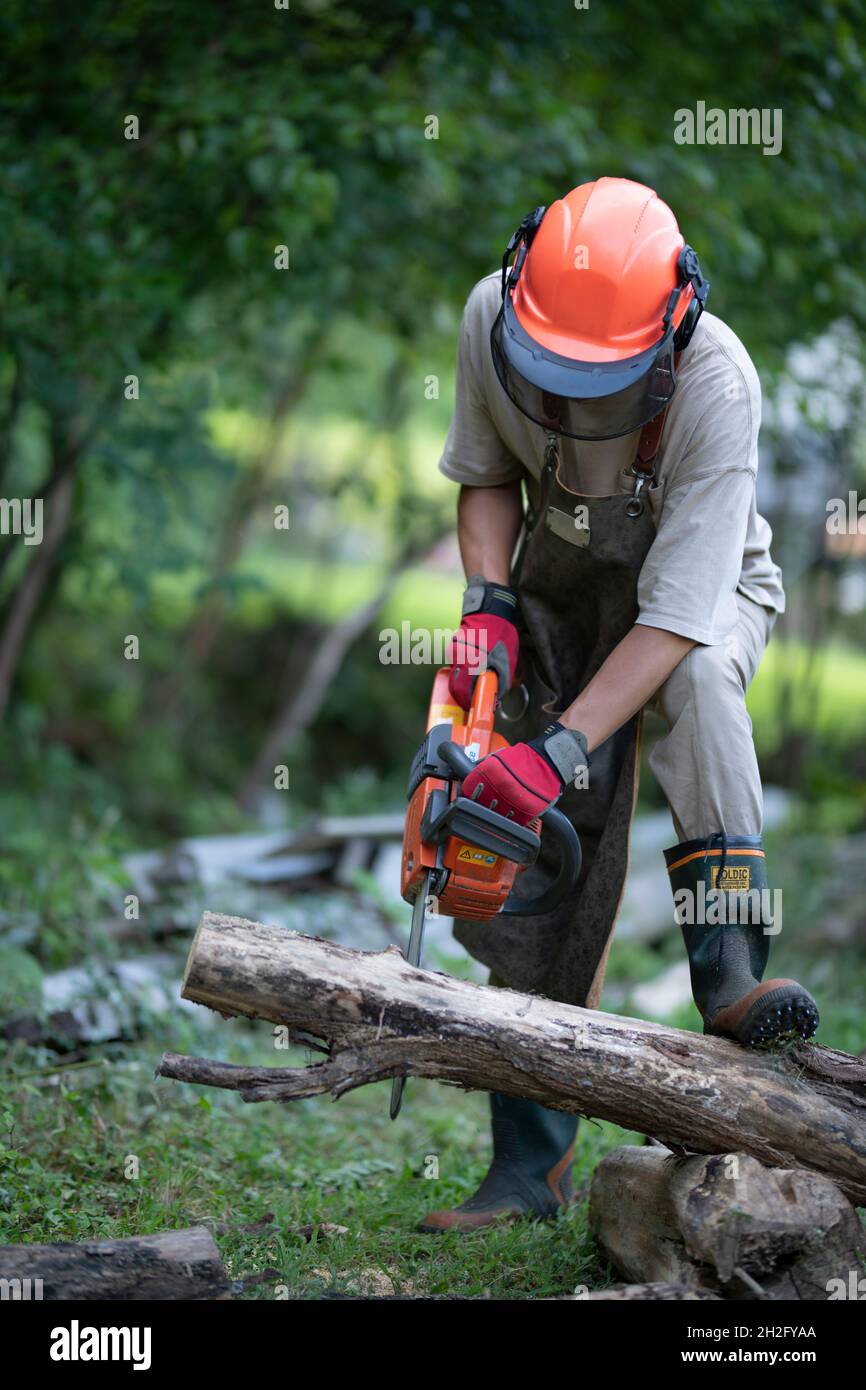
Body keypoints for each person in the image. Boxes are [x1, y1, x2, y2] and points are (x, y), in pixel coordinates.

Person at [420, 176, 819, 1234]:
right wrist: (486, 601)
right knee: (520, 839)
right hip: (557, 582)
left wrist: (556, 749)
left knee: (688, 687)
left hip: (697, 597)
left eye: (594, 381)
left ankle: (727, 969)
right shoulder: (486, 315)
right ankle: (524, 1171)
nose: (566, 400)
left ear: (669, 327)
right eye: (548, 375)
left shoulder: (716, 382)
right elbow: (484, 473)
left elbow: (678, 615)